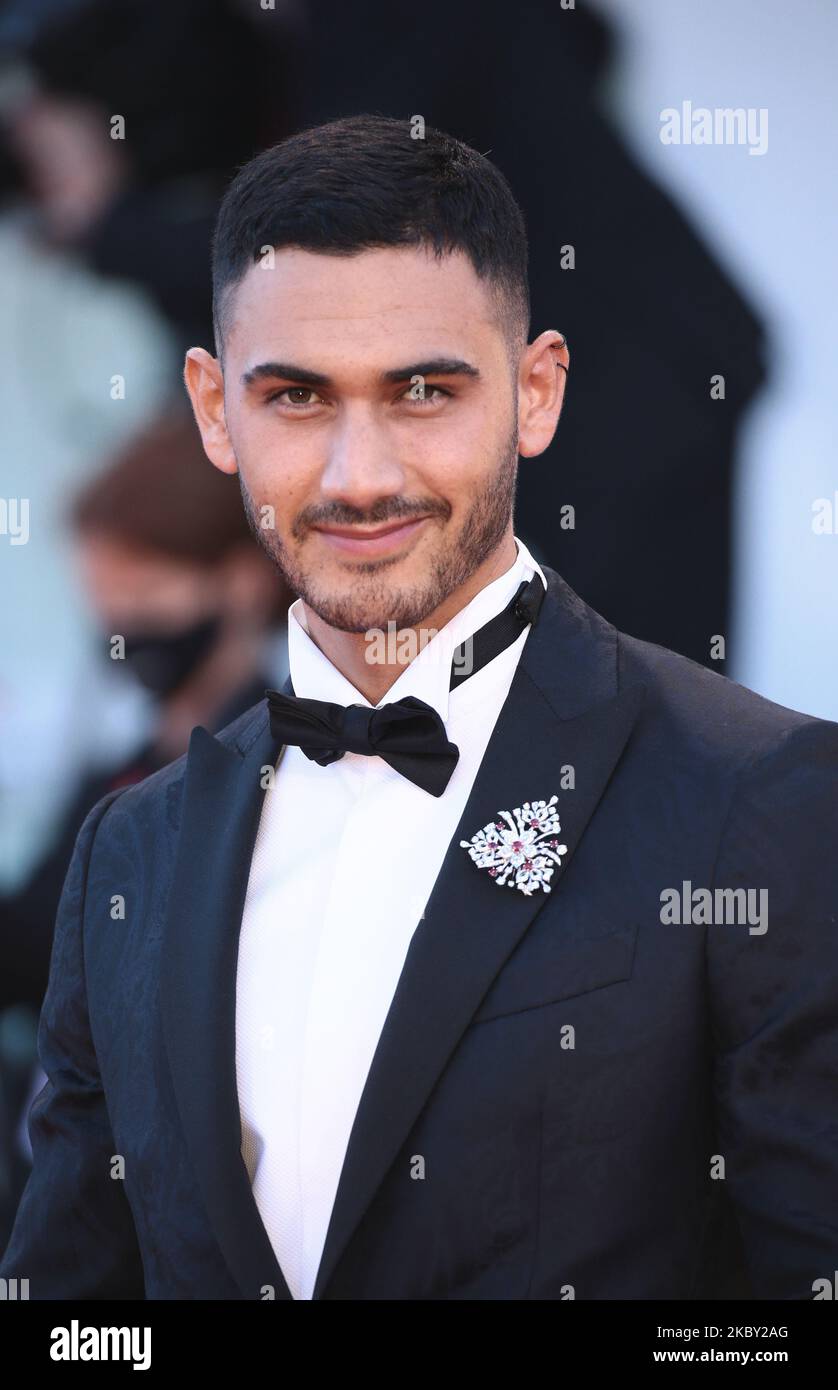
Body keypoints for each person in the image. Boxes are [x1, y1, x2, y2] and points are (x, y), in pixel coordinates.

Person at [1, 115, 836, 1301]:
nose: (359, 475)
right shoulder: (130, 852)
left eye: (424, 391)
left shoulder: (762, 799)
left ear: (536, 393)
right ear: (214, 410)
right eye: (294, 397)